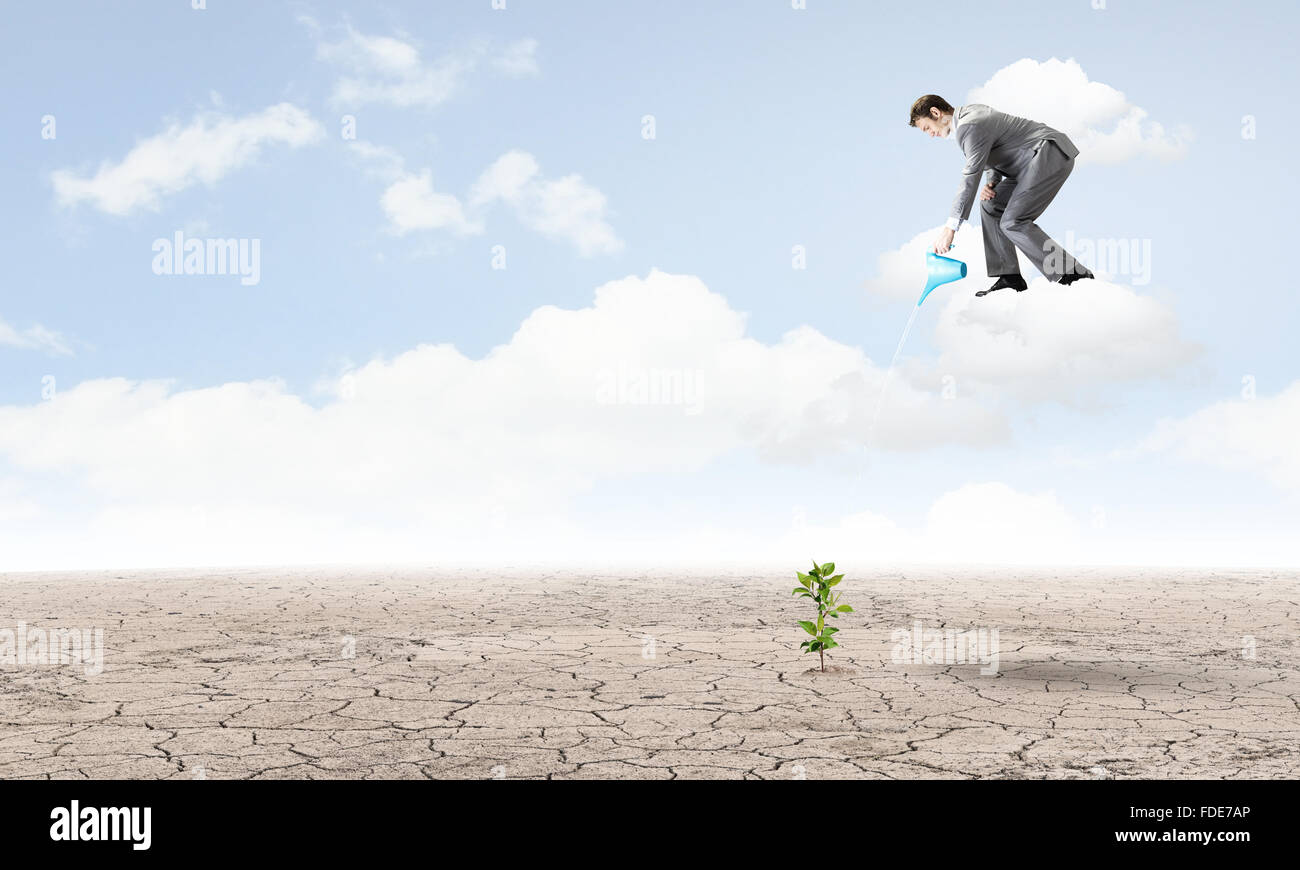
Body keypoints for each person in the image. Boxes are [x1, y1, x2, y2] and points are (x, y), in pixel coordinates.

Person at [910, 94, 1094, 296]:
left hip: (1048, 153)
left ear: (935, 113)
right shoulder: (968, 119)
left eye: (927, 128)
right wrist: (992, 182)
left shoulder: (969, 125)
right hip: (1027, 163)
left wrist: (950, 229)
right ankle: (1009, 275)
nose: (930, 135)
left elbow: (970, 176)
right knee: (991, 204)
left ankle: (1073, 273)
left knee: (1013, 221)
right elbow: (996, 150)